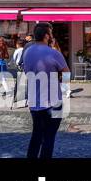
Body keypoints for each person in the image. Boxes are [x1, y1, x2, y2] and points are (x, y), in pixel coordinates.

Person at [23, 23, 69, 159]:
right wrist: (64, 90)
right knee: (49, 137)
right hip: (53, 101)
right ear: (46, 36)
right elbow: (66, 74)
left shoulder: (27, 52)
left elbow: (26, 72)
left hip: (34, 101)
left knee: (36, 135)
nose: (52, 35)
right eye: (51, 33)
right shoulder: (54, 53)